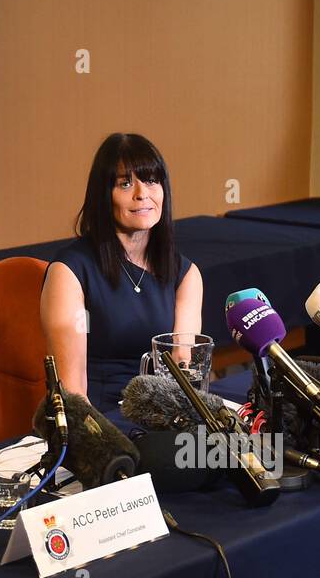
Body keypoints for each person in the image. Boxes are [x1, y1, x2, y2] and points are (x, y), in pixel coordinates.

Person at [39, 133, 204, 418]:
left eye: (151, 180)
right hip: (98, 420)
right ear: (104, 196)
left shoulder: (185, 274)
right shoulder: (70, 271)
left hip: (158, 417)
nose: (142, 193)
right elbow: (72, 393)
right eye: (125, 183)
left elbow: (183, 369)